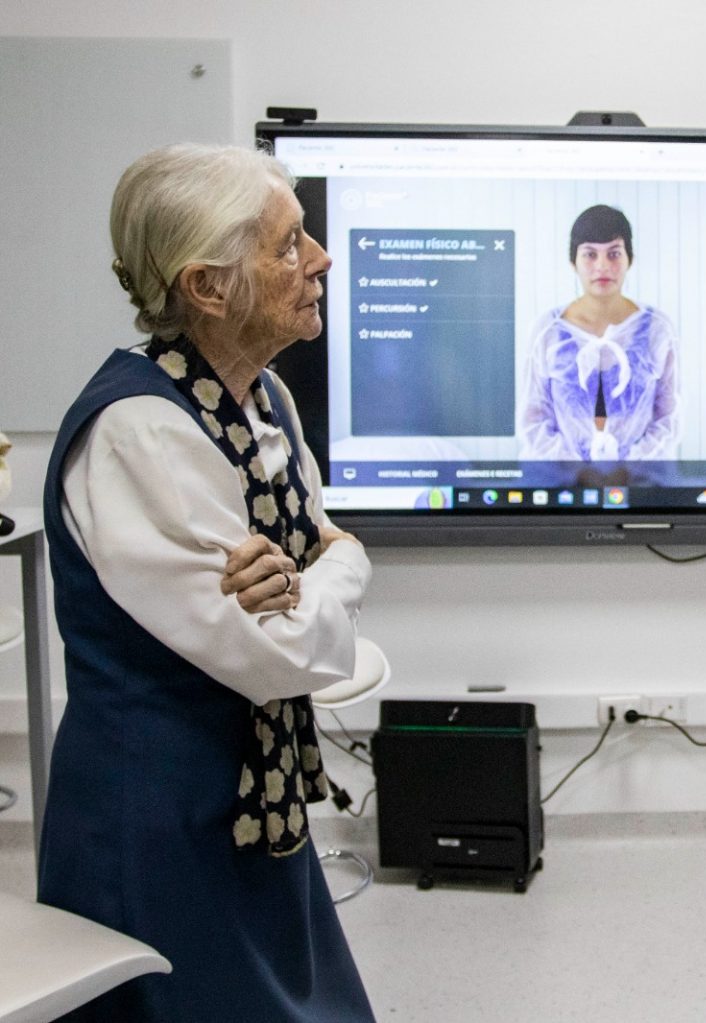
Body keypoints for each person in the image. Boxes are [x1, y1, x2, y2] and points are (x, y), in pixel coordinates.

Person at [38, 143, 375, 1020]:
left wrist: (324, 566)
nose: (322, 259)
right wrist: (340, 562)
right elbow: (278, 650)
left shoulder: (265, 398)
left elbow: (318, 571)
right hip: (157, 823)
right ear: (208, 287)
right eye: (290, 244)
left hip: (253, 810)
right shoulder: (140, 434)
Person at [518, 204, 680, 460]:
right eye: (590, 254)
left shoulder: (657, 329)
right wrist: (578, 473)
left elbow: (668, 419)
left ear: (630, 259)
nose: (602, 266)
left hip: (641, 488)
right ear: (573, 261)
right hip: (561, 490)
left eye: (614, 254)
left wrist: (629, 471)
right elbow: (534, 420)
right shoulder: (547, 331)